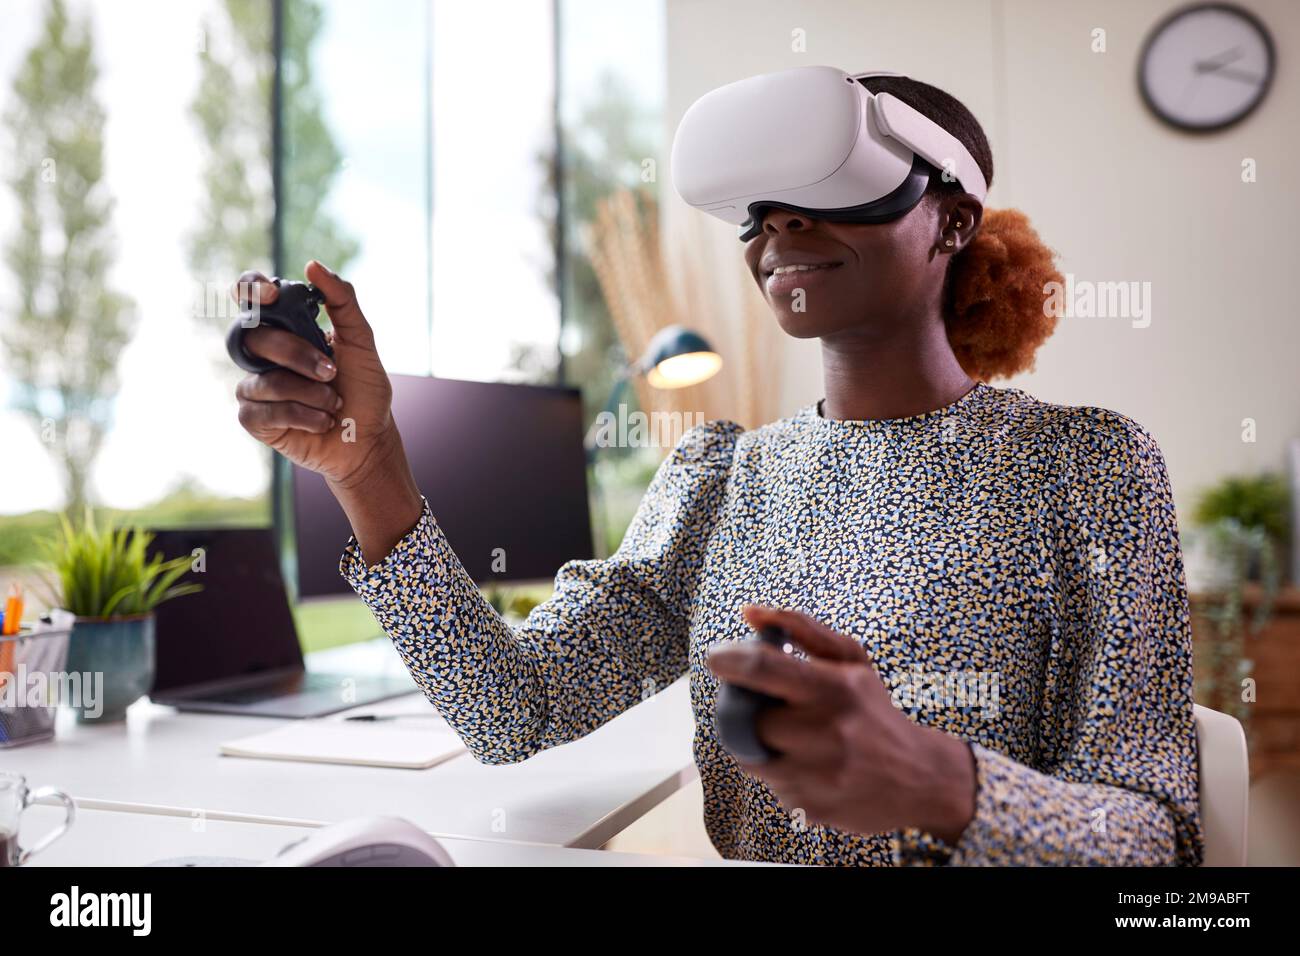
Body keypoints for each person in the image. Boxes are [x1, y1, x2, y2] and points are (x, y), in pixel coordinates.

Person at [232, 75, 1203, 866]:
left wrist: (934, 780)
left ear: (949, 222)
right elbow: (510, 708)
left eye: (830, 190)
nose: (780, 227)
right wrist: (369, 470)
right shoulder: (727, 476)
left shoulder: (1085, 467)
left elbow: (1159, 842)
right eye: (758, 210)